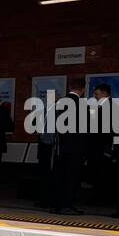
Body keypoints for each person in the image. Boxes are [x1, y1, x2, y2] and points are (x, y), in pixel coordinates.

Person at [51, 80, 88, 214]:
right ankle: (67, 205)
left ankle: (57, 205)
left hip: (60, 146)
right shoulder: (82, 105)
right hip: (76, 148)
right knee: (72, 178)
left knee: (59, 176)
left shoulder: (59, 103)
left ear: (69, 87)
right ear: (83, 89)